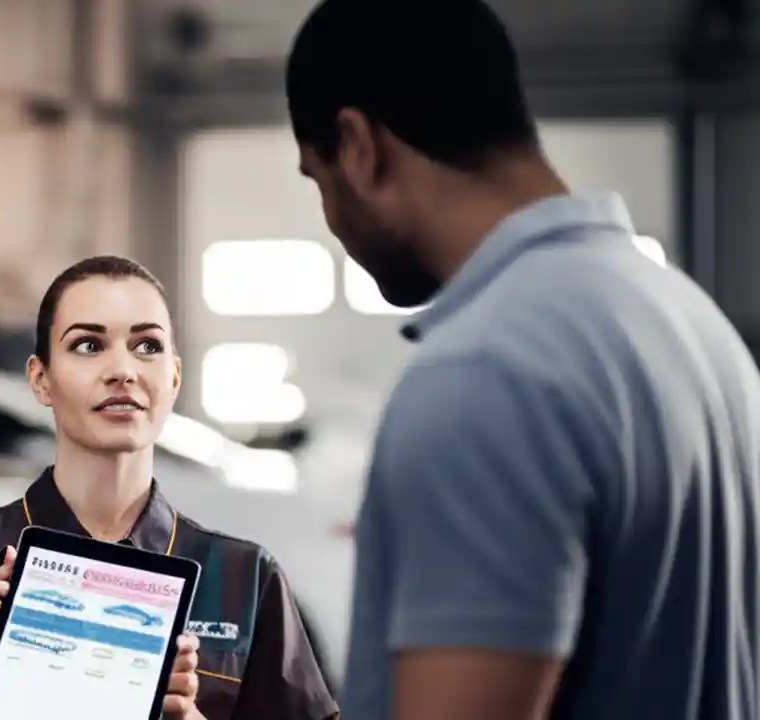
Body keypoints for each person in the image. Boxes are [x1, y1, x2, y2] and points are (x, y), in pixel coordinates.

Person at [286, 1, 760, 719]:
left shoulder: (486, 371)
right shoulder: (689, 322)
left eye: (318, 179)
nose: (332, 217)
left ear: (359, 145)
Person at [0, 255, 339, 720]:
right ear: (40, 380)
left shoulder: (245, 579)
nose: (122, 370)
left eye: (147, 346)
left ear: (174, 378)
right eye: (88, 345)